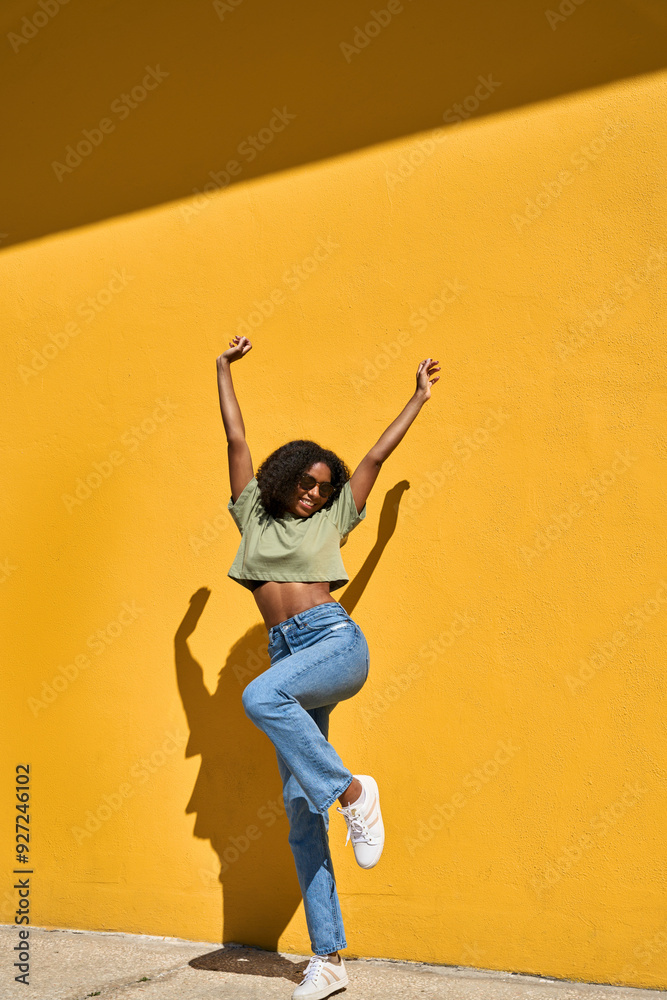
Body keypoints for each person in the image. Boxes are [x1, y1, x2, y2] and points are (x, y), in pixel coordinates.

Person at [216, 335, 440, 999]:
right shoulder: (251, 514)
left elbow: (373, 454)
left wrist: (417, 399)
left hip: (334, 641)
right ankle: (330, 960)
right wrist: (222, 368)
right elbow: (235, 440)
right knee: (295, 814)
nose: (316, 493)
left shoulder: (336, 516)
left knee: (260, 699)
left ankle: (352, 793)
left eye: (324, 486)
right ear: (282, 481)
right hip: (288, 652)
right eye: (306, 483)